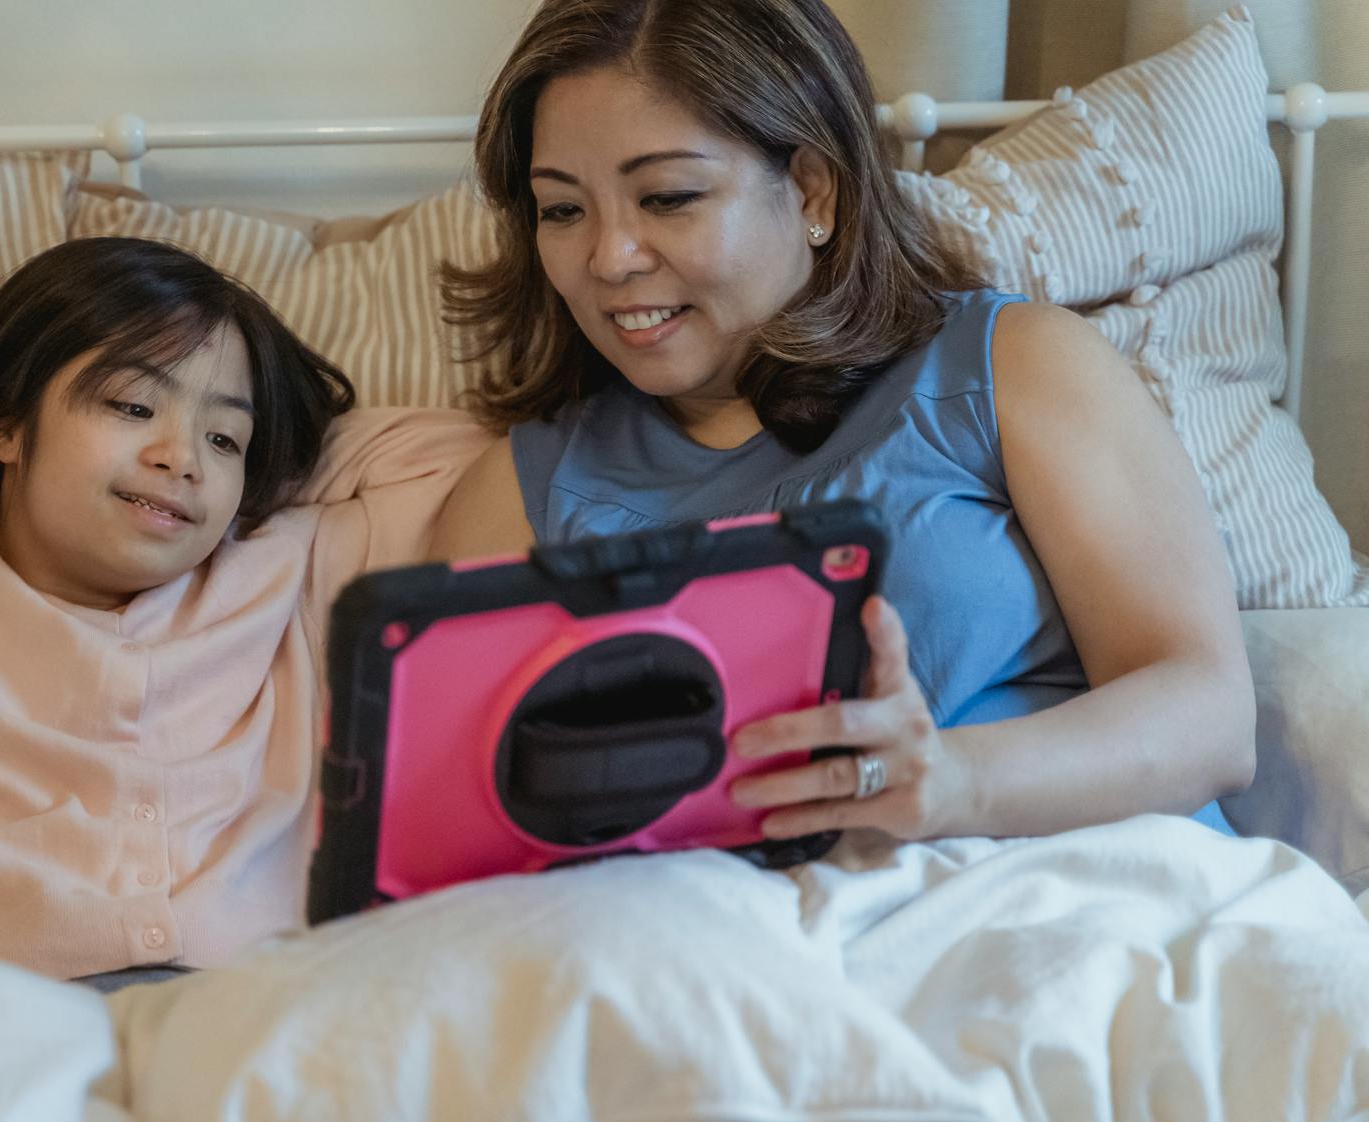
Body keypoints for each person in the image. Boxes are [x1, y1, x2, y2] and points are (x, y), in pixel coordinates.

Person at [431, 0, 1254, 845]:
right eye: (563, 210)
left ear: (813, 190)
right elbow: (451, 815)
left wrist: (953, 782)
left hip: (1077, 883)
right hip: (718, 922)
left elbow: (1212, 713)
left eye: (668, 197)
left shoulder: (1014, 365)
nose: (609, 258)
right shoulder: (520, 497)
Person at [0, 236, 488, 987]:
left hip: (242, 1016)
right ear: (10, 424)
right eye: (134, 405)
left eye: (223, 437)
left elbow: (463, 458)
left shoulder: (288, 578)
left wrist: (258, 477)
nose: (181, 457)